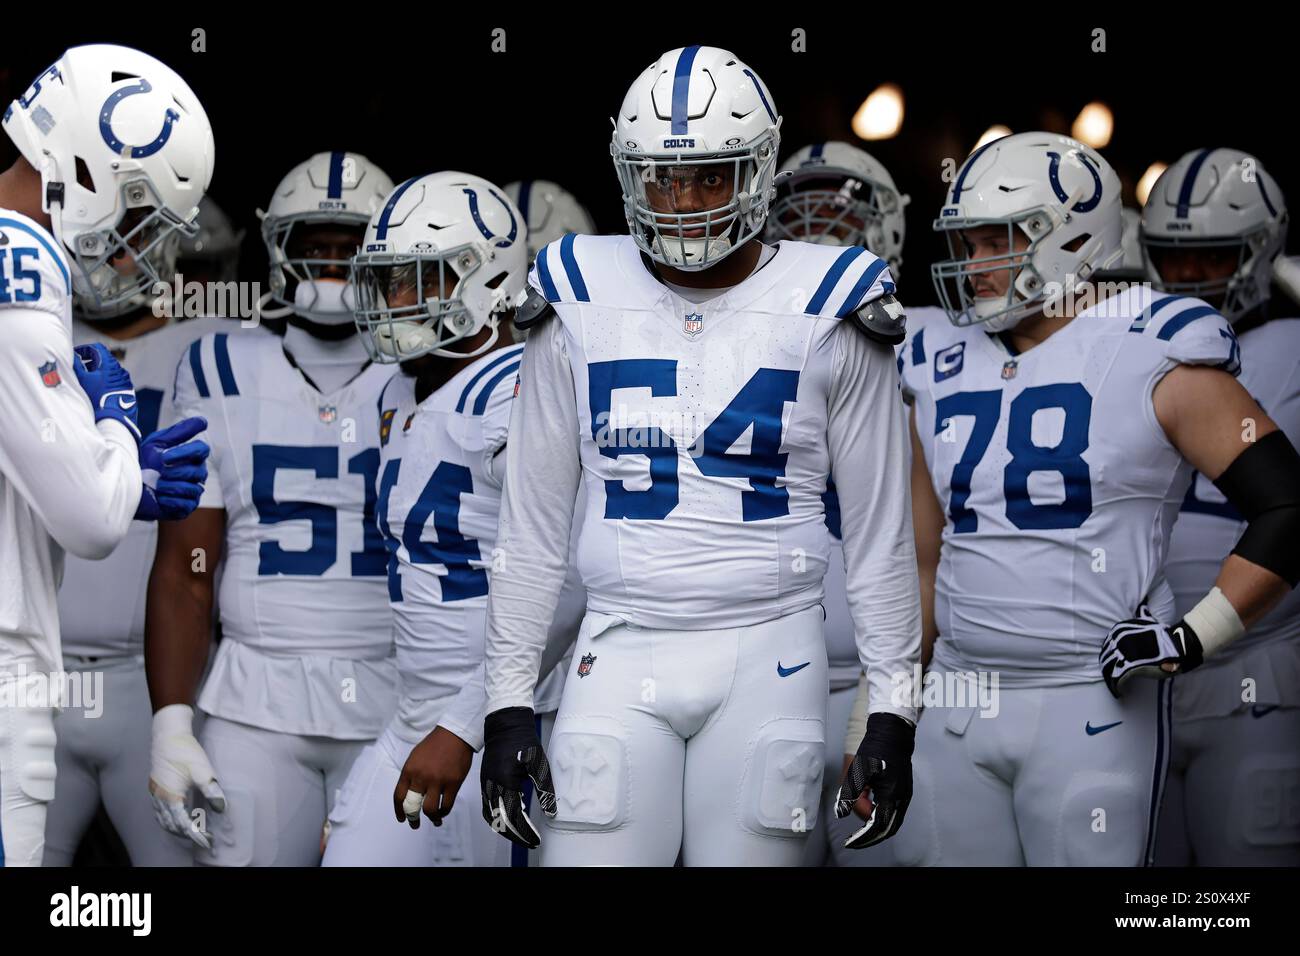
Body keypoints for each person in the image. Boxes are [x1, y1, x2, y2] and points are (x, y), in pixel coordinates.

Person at [478, 45, 921, 866]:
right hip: (616, 640)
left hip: (772, 648)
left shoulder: (836, 298)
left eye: (710, 177)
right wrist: (505, 704)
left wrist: (892, 707)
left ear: (755, 173)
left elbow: (879, 532)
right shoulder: (574, 286)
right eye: (661, 179)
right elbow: (532, 530)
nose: (681, 203)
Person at [145, 152, 398, 865]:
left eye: (352, 247)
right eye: (315, 245)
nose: (332, 264)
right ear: (278, 248)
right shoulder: (218, 362)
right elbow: (185, 569)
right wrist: (171, 721)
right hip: (254, 702)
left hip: (397, 696)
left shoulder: (424, 366)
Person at [0, 44, 213, 866]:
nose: (135, 246)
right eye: (138, 214)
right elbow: (89, 521)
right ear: (89, 173)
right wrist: (118, 428)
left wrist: (120, 474)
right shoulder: (21, 263)